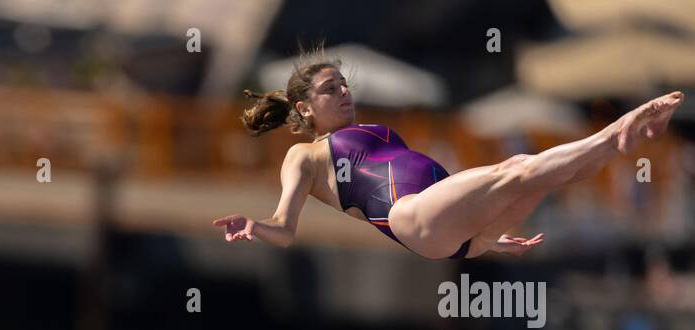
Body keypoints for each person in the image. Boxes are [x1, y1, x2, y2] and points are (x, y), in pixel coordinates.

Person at [213, 45, 684, 260]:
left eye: (344, 84)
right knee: (516, 169)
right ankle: (622, 127)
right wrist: (257, 227)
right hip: (411, 217)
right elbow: (285, 227)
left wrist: (485, 232)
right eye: (330, 89)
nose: (344, 92)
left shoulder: (375, 130)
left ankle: (627, 143)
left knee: (537, 173)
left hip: (462, 236)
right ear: (305, 107)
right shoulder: (305, 155)